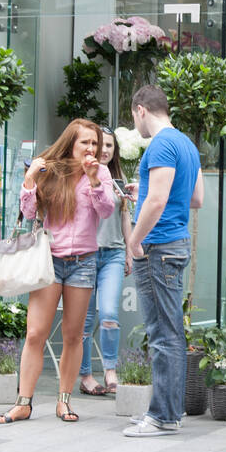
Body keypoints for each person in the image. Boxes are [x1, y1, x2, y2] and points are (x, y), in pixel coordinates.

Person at [0, 118, 114, 424]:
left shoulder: (100, 173)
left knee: (73, 335)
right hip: (48, 261)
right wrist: (30, 179)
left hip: (83, 262)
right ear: (71, 143)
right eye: (85, 142)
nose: (91, 148)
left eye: (95, 143)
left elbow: (106, 211)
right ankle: (23, 403)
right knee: (35, 333)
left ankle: (64, 401)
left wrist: (94, 180)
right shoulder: (51, 170)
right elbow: (29, 213)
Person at [123, 85, 204, 438]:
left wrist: (134, 239)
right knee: (169, 331)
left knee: (163, 334)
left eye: (134, 117)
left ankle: (162, 417)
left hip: (158, 247)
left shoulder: (160, 145)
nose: (135, 124)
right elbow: (196, 198)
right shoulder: (186, 145)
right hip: (176, 243)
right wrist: (142, 191)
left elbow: (157, 201)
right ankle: (167, 411)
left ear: (141, 110)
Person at [76, 126, 135, 396]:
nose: (105, 150)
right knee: (85, 320)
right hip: (85, 254)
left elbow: (125, 216)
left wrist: (129, 251)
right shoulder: (81, 176)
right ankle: (85, 375)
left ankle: (110, 370)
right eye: (101, 145)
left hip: (113, 253)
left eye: (110, 146)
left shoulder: (119, 180)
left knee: (109, 314)